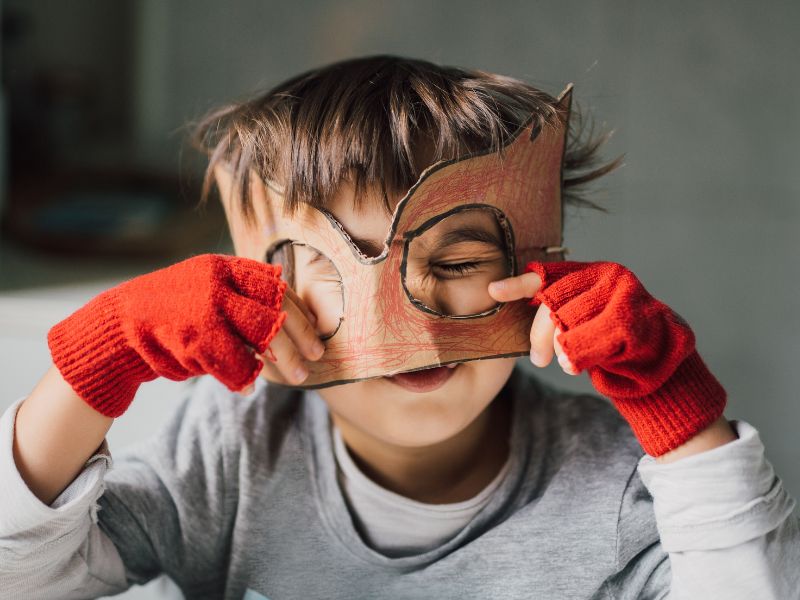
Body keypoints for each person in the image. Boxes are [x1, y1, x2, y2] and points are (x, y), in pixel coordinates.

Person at [1, 55, 797, 599]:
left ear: (540, 274)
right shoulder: (229, 454)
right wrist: (96, 362)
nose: (409, 316)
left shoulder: (617, 487)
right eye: (337, 274)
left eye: (456, 262)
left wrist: (680, 409)